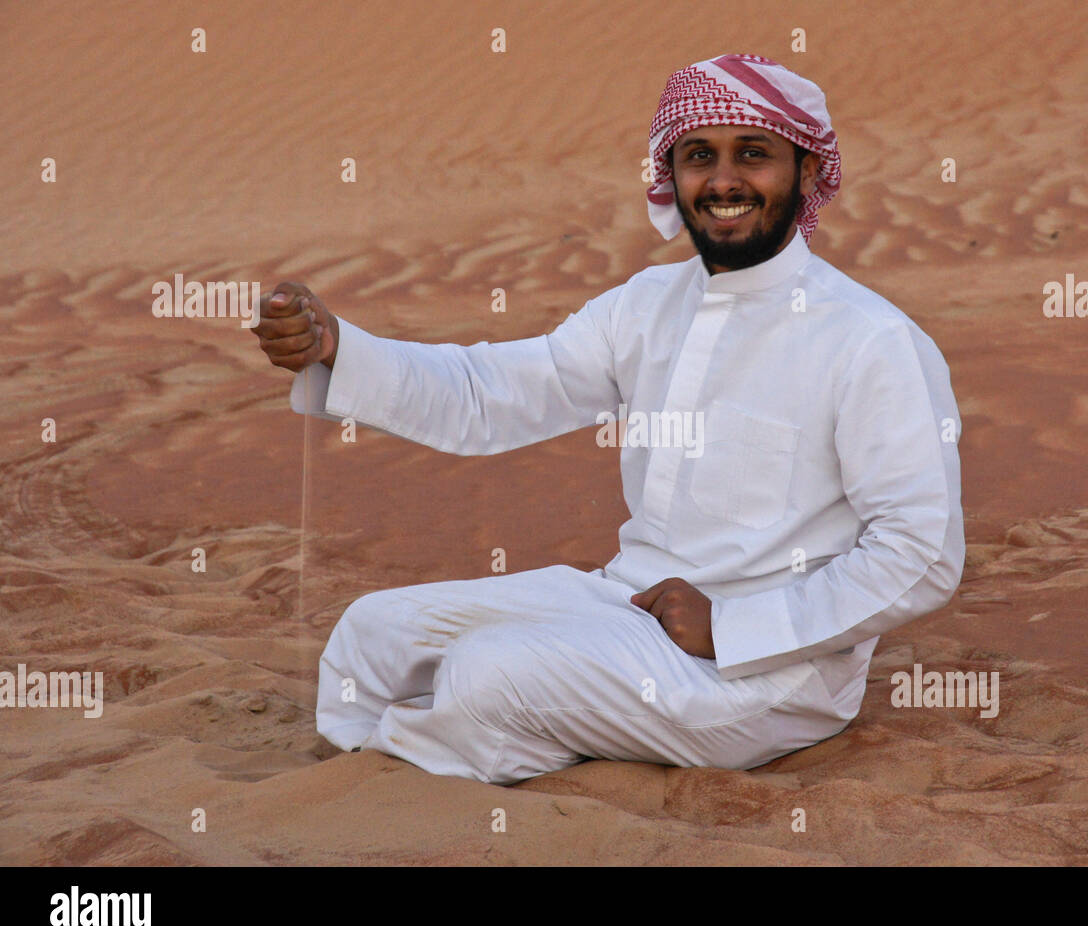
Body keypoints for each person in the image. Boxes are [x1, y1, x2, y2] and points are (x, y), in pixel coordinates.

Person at [250, 53, 964, 786]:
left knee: (487, 673)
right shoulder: (647, 304)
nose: (723, 181)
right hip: (627, 599)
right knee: (371, 636)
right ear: (672, 172)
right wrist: (341, 349)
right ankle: (488, 734)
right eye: (698, 156)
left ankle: (437, 761)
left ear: (808, 172)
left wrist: (732, 627)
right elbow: (490, 394)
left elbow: (921, 552)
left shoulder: (871, 340)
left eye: (753, 154)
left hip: (770, 670)